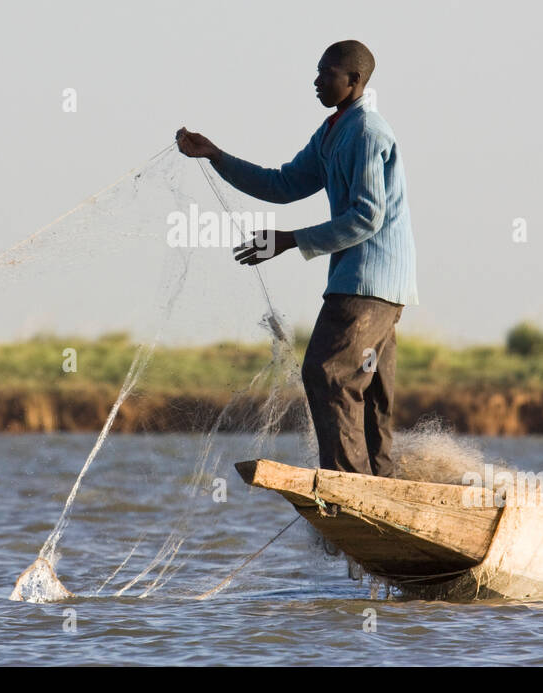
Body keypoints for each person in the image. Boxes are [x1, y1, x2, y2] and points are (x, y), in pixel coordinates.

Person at [175, 39, 418, 477]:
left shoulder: (367, 132)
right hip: (374, 285)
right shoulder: (333, 133)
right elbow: (282, 185)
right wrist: (215, 156)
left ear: (355, 80)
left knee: (329, 373)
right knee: (370, 390)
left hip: (365, 282)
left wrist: (290, 240)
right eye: (318, 72)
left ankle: (352, 487)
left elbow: (367, 216)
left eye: (327, 73)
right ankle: (381, 488)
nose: (316, 81)